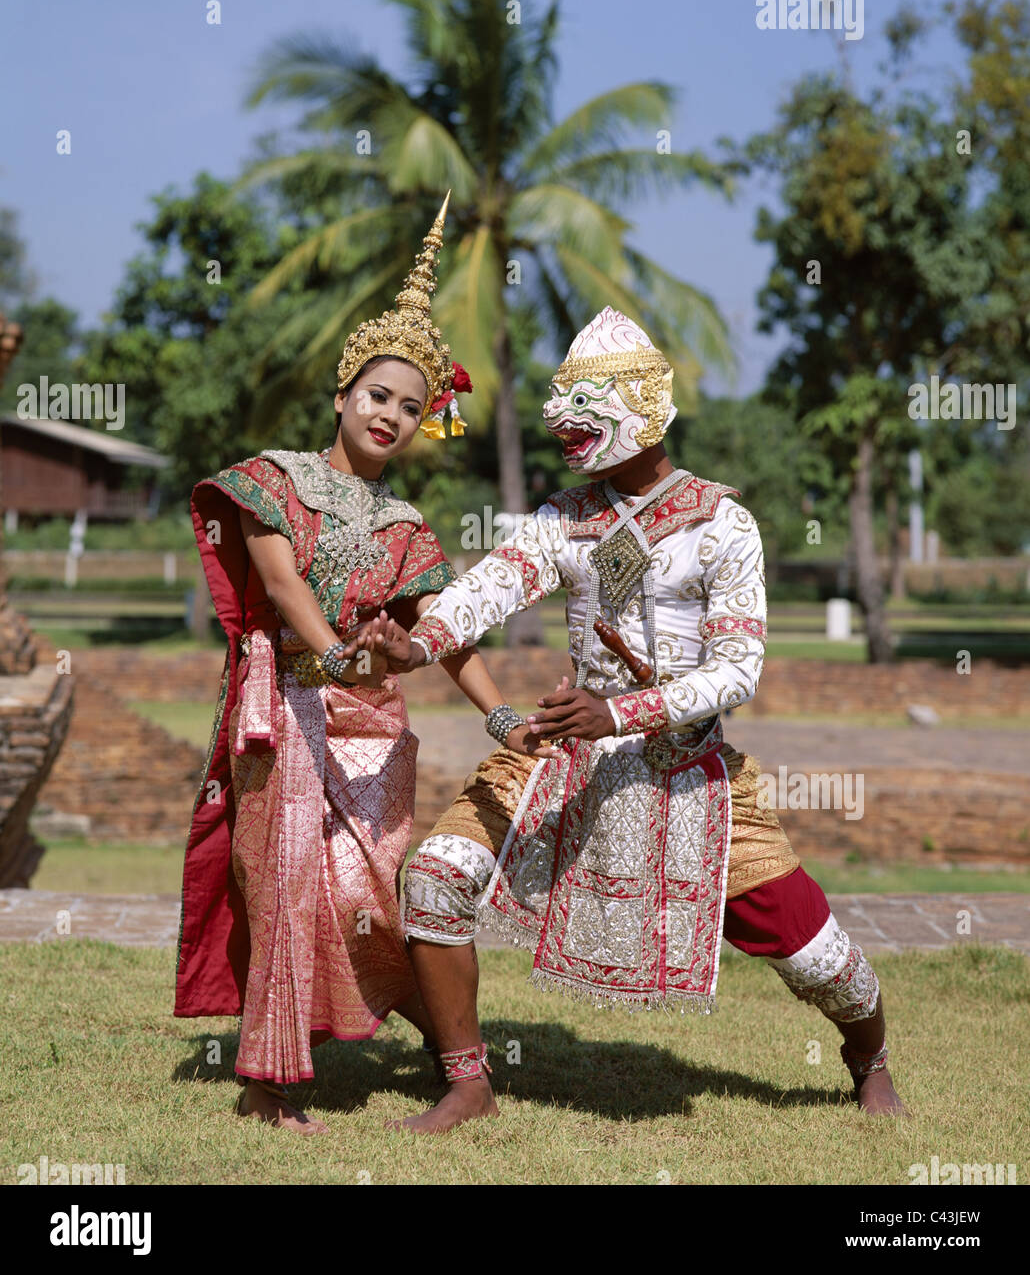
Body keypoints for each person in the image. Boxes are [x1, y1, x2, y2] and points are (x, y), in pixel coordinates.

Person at [343, 305, 906, 1133]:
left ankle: (870, 1060)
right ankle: (468, 1082)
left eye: (585, 405)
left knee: (817, 956)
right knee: (434, 876)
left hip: (686, 771)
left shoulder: (722, 523)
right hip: (564, 757)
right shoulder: (565, 519)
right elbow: (483, 592)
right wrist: (413, 644)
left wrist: (618, 711)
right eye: (560, 405)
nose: (561, 425)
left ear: (643, 408)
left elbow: (739, 670)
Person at [173, 196, 550, 1134]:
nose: (392, 415)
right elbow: (283, 588)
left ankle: (450, 1052)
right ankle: (268, 1083)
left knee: (366, 899)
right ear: (343, 394)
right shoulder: (272, 480)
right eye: (378, 395)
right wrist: (338, 651)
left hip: (365, 730)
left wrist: (499, 716)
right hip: (282, 710)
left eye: (413, 408)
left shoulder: (405, 527)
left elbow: (446, 628)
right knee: (287, 879)